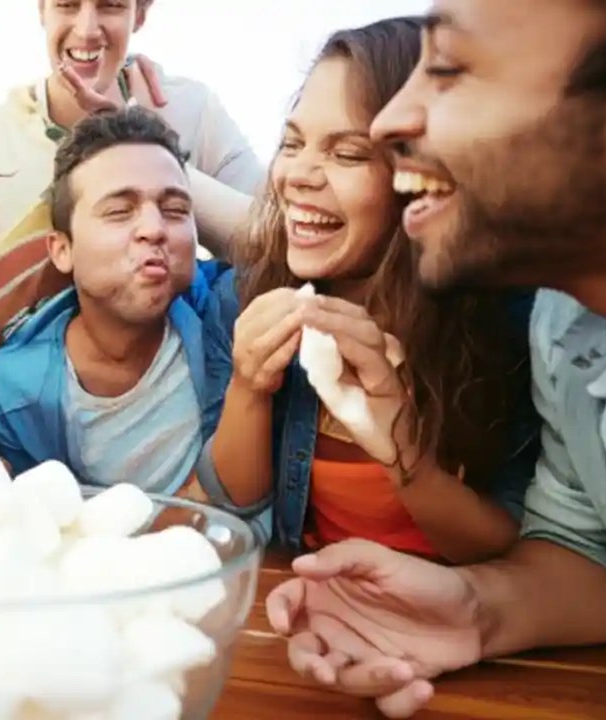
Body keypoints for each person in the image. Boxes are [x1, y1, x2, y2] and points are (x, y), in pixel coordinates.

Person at [263, 1, 606, 716]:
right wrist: (476, 608)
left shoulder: (509, 332)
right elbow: (595, 555)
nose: (391, 122)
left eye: (450, 68)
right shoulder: (568, 326)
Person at [217, 17, 536, 566]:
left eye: (347, 154)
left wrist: (400, 450)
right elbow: (234, 508)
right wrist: (249, 387)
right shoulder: (247, 296)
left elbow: (511, 548)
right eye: (292, 143)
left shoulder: (511, 319)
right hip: (308, 597)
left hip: (456, 605)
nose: (298, 174)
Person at [0, 107, 261, 532]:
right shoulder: (7, 391)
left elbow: (284, 246)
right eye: (120, 211)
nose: (154, 229)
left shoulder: (234, 317)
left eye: (175, 209)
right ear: (62, 250)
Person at [0, 0, 261, 360]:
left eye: (111, 6)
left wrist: (152, 147)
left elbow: (271, 247)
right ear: (41, 9)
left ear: (140, 14)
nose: (87, 29)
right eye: (67, 5)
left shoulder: (190, 110)